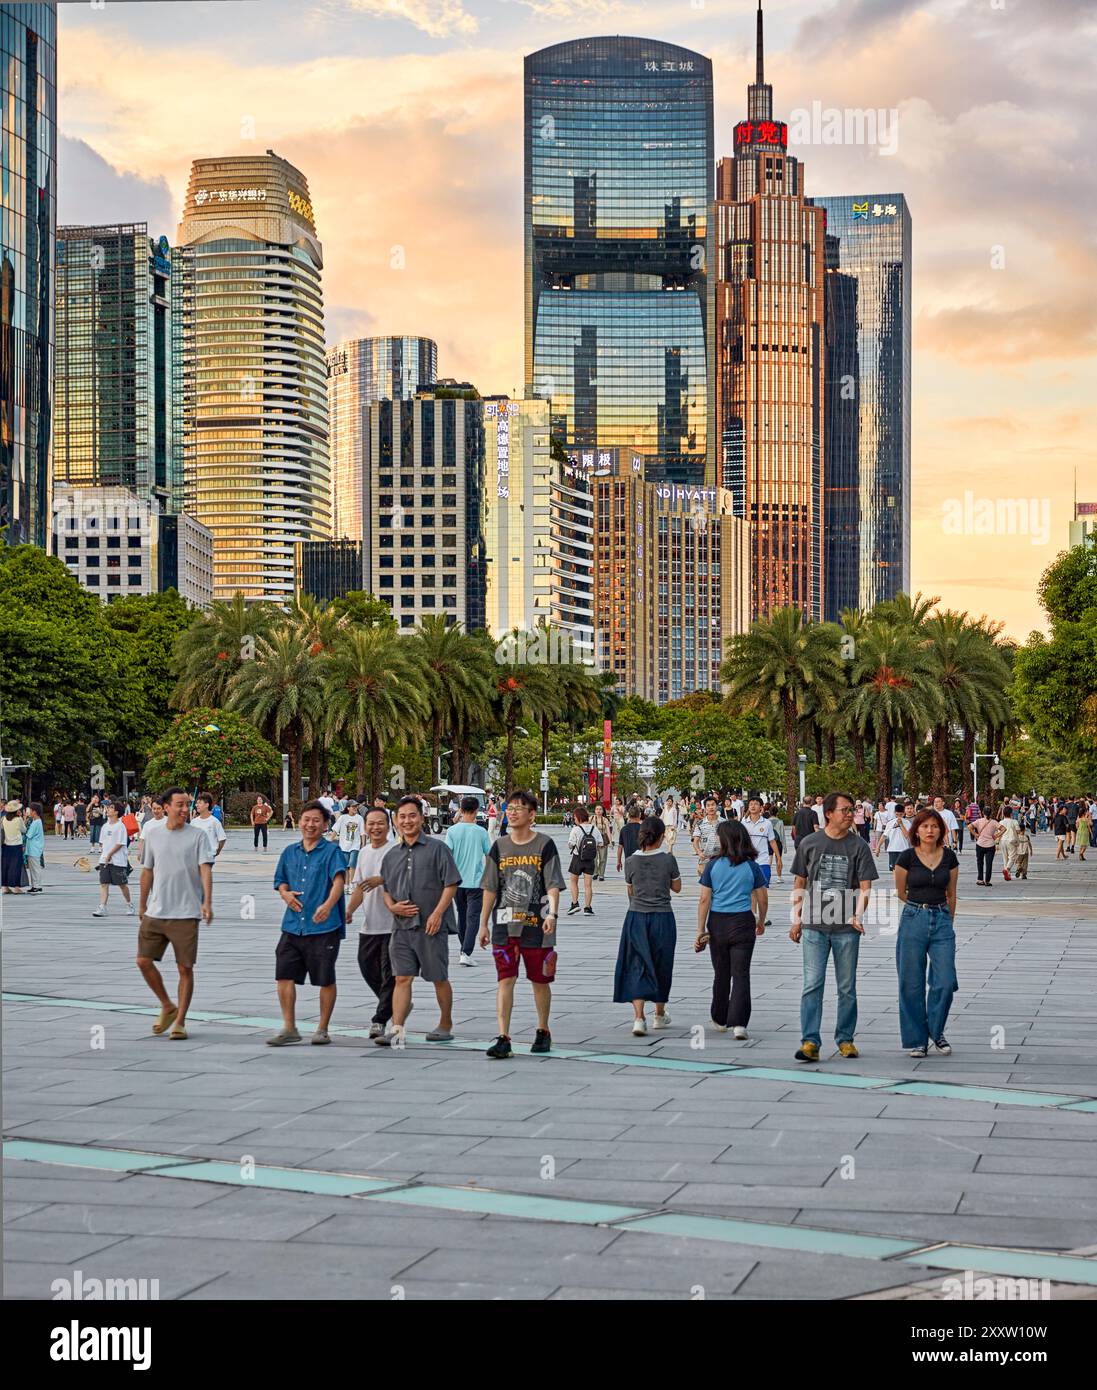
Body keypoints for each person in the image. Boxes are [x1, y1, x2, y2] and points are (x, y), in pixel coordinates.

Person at [789, 791, 879, 1062]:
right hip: (814, 925)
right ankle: (810, 1042)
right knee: (812, 985)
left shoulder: (859, 846)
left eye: (852, 809)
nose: (851, 814)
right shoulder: (810, 843)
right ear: (829, 813)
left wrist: (858, 915)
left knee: (846, 987)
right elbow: (799, 883)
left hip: (846, 928)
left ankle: (845, 1039)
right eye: (845, 810)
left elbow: (866, 887)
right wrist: (796, 919)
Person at [478, 788, 564, 1058]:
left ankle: (543, 1030)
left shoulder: (545, 845)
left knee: (540, 980)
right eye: (509, 808)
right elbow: (490, 888)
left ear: (531, 814)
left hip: (537, 926)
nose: (512, 812)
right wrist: (483, 924)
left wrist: (551, 914)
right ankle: (503, 1036)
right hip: (504, 926)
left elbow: (552, 885)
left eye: (518, 808)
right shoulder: (499, 846)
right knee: (505, 979)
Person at [376, 796, 461, 1048]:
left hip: (431, 926)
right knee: (402, 977)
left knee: (438, 977)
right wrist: (391, 906)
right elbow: (386, 888)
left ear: (422, 818)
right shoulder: (391, 855)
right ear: (396, 821)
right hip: (401, 928)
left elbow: (451, 883)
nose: (407, 821)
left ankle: (445, 1023)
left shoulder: (438, 849)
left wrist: (437, 913)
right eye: (402, 817)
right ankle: (397, 1028)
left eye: (412, 816)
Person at [136, 787, 215, 1041]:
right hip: (156, 910)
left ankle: (180, 1021)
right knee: (143, 961)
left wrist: (207, 902)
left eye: (187, 805)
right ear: (166, 807)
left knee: (185, 968)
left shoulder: (198, 836)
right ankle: (167, 1005)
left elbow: (205, 869)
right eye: (179, 804)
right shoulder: (153, 834)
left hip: (186, 912)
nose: (184, 809)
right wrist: (142, 904)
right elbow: (147, 870)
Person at [268, 801, 347, 1047]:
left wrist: (327, 906)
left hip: (323, 927)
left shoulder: (332, 852)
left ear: (325, 825)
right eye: (306, 819)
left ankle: (322, 1028)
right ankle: (289, 1027)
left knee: (325, 978)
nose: (310, 824)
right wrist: (285, 894)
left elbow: (338, 882)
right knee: (284, 975)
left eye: (316, 820)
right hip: (292, 925)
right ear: (299, 821)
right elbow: (281, 881)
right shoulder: (289, 852)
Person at [894, 808, 959, 1058]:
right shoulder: (906, 857)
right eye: (924, 826)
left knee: (944, 982)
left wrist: (949, 921)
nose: (930, 830)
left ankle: (935, 1030)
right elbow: (901, 892)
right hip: (913, 918)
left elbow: (952, 893)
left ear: (941, 830)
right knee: (911, 983)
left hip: (942, 919)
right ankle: (917, 1039)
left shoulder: (949, 857)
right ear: (916, 831)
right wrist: (918, 908)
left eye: (934, 826)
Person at [697, 819, 768, 1039]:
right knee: (741, 974)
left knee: (721, 972)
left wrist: (700, 930)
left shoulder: (713, 865)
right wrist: (761, 920)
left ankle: (720, 1018)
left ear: (726, 839)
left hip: (718, 923)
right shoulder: (752, 866)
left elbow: (704, 899)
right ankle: (739, 1024)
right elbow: (762, 898)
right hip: (743, 921)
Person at [615, 815, 681, 1035]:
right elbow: (677, 887)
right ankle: (659, 1014)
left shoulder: (631, 861)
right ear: (662, 836)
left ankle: (638, 1018)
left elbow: (630, 891)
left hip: (636, 917)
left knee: (636, 964)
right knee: (662, 963)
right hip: (663, 917)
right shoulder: (668, 859)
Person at [347, 808, 398, 1039]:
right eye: (371, 823)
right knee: (366, 966)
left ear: (388, 826)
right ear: (365, 826)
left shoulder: (396, 851)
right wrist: (349, 910)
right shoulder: (364, 852)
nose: (375, 827)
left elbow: (405, 881)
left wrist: (382, 879)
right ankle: (397, 1002)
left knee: (389, 974)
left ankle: (380, 1020)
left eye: (380, 823)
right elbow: (360, 886)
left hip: (394, 924)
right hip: (370, 924)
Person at [446, 795, 491, 966]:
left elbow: (447, 856)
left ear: (462, 810)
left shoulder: (452, 831)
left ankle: (463, 949)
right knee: (473, 917)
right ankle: (466, 952)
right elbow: (489, 856)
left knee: (463, 916)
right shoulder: (481, 832)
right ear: (477, 811)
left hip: (457, 883)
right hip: (476, 882)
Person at [742, 796, 782, 921]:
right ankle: (753, 915)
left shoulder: (767, 823)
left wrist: (778, 858)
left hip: (763, 861)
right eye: (751, 804)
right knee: (752, 889)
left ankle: (762, 915)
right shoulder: (743, 823)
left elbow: (772, 841)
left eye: (756, 804)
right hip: (748, 861)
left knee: (762, 889)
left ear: (761, 807)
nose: (753, 806)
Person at [92, 799, 134, 916]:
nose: (108, 809)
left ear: (116, 812)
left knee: (122, 884)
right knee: (104, 883)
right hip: (105, 860)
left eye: (110, 808)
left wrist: (110, 854)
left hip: (118, 860)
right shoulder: (105, 826)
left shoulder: (120, 826)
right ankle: (102, 907)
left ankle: (129, 904)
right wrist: (105, 855)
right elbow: (102, 843)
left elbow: (120, 843)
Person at [566, 805, 601, 916]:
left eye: (574, 817)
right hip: (590, 859)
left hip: (577, 858)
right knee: (588, 885)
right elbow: (600, 843)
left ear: (579, 817)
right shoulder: (594, 829)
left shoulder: (576, 829)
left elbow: (570, 844)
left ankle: (575, 904)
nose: (574, 819)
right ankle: (588, 908)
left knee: (573, 881)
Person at [970, 805, 1004, 885]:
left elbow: (969, 826)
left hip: (980, 844)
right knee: (989, 863)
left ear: (983, 812)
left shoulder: (978, 821)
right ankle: (987, 881)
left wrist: (975, 834)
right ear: (991, 813)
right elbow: (1004, 829)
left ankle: (980, 879)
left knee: (980, 862)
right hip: (990, 845)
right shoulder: (994, 822)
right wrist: (996, 836)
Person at [332, 799, 365, 876]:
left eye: (356, 807)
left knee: (352, 864)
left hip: (355, 845)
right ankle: (346, 885)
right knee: (345, 866)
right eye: (353, 807)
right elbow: (335, 830)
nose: (355, 808)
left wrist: (363, 845)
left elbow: (362, 833)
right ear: (348, 808)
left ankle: (351, 885)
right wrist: (329, 842)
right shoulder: (342, 818)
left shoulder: (359, 818)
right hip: (344, 846)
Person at [691, 796, 724, 874]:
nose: (711, 807)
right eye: (708, 805)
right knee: (705, 884)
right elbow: (695, 841)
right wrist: (699, 852)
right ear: (705, 808)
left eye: (713, 805)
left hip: (721, 859)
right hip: (705, 858)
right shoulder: (700, 824)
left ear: (717, 807)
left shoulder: (724, 822)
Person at [191, 793, 227, 863]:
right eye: (196, 803)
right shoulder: (194, 822)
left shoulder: (214, 822)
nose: (197, 805)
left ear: (207, 805)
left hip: (209, 856)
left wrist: (217, 850)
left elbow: (222, 838)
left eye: (199, 803)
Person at [2, 800, 26, 893]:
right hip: (16, 846)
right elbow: (24, 830)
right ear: (16, 811)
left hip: (6, 845)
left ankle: (5, 886)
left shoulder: (4, 819)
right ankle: (16, 887)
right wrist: (22, 818)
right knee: (16, 866)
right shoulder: (18, 819)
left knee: (6, 866)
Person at [885, 800, 915, 871]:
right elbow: (885, 835)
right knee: (895, 869)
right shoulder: (891, 822)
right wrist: (878, 847)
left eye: (911, 808)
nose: (909, 810)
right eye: (908, 808)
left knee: (906, 869)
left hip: (910, 848)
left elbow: (907, 835)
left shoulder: (912, 821)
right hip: (895, 849)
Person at [23, 803, 45, 893]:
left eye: (30, 810)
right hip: (34, 848)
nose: (29, 812)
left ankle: (37, 886)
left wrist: (24, 821)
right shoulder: (37, 821)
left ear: (34, 812)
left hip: (34, 848)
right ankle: (34, 885)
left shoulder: (36, 822)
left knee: (35, 868)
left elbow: (29, 834)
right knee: (33, 868)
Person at [616, 801, 643, 873]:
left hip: (628, 860)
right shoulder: (644, 828)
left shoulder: (624, 829)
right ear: (639, 815)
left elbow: (620, 847)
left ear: (629, 816)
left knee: (630, 882)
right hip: (642, 860)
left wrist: (619, 861)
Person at [997, 804, 1020, 881]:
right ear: (1011, 814)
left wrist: (997, 843)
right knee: (1012, 857)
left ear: (1003, 814)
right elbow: (1018, 831)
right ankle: (1007, 870)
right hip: (1011, 840)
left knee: (1005, 858)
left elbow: (999, 833)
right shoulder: (1014, 821)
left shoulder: (1001, 822)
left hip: (1002, 841)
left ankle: (1007, 874)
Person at [592, 803, 612, 881]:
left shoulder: (605, 820)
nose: (598, 811)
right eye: (597, 809)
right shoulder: (591, 819)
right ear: (594, 810)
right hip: (593, 840)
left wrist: (610, 841)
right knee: (594, 858)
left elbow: (608, 831)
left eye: (600, 809)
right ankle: (595, 872)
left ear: (603, 811)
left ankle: (601, 874)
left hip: (603, 840)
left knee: (603, 858)